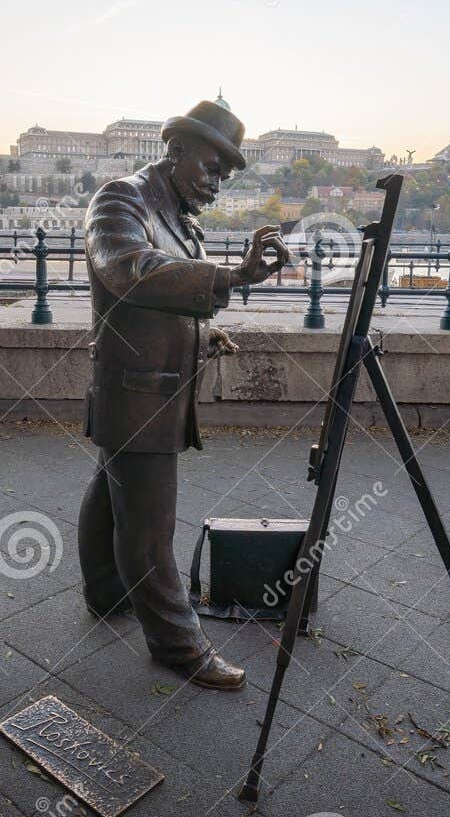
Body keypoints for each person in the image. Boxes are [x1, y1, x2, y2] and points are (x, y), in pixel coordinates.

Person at [77, 98, 290, 689]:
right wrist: (233, 276)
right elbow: (129, 270)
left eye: (225, 175)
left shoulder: (175, 213)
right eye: (211, 167)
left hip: (151, 384)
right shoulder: (121, 200)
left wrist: (203, 333)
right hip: (137, 389)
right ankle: (179, 646)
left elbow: (163, 298)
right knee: (150, 528)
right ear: (175, 150)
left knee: (112, 493)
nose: (216, 183)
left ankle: (104, 592)